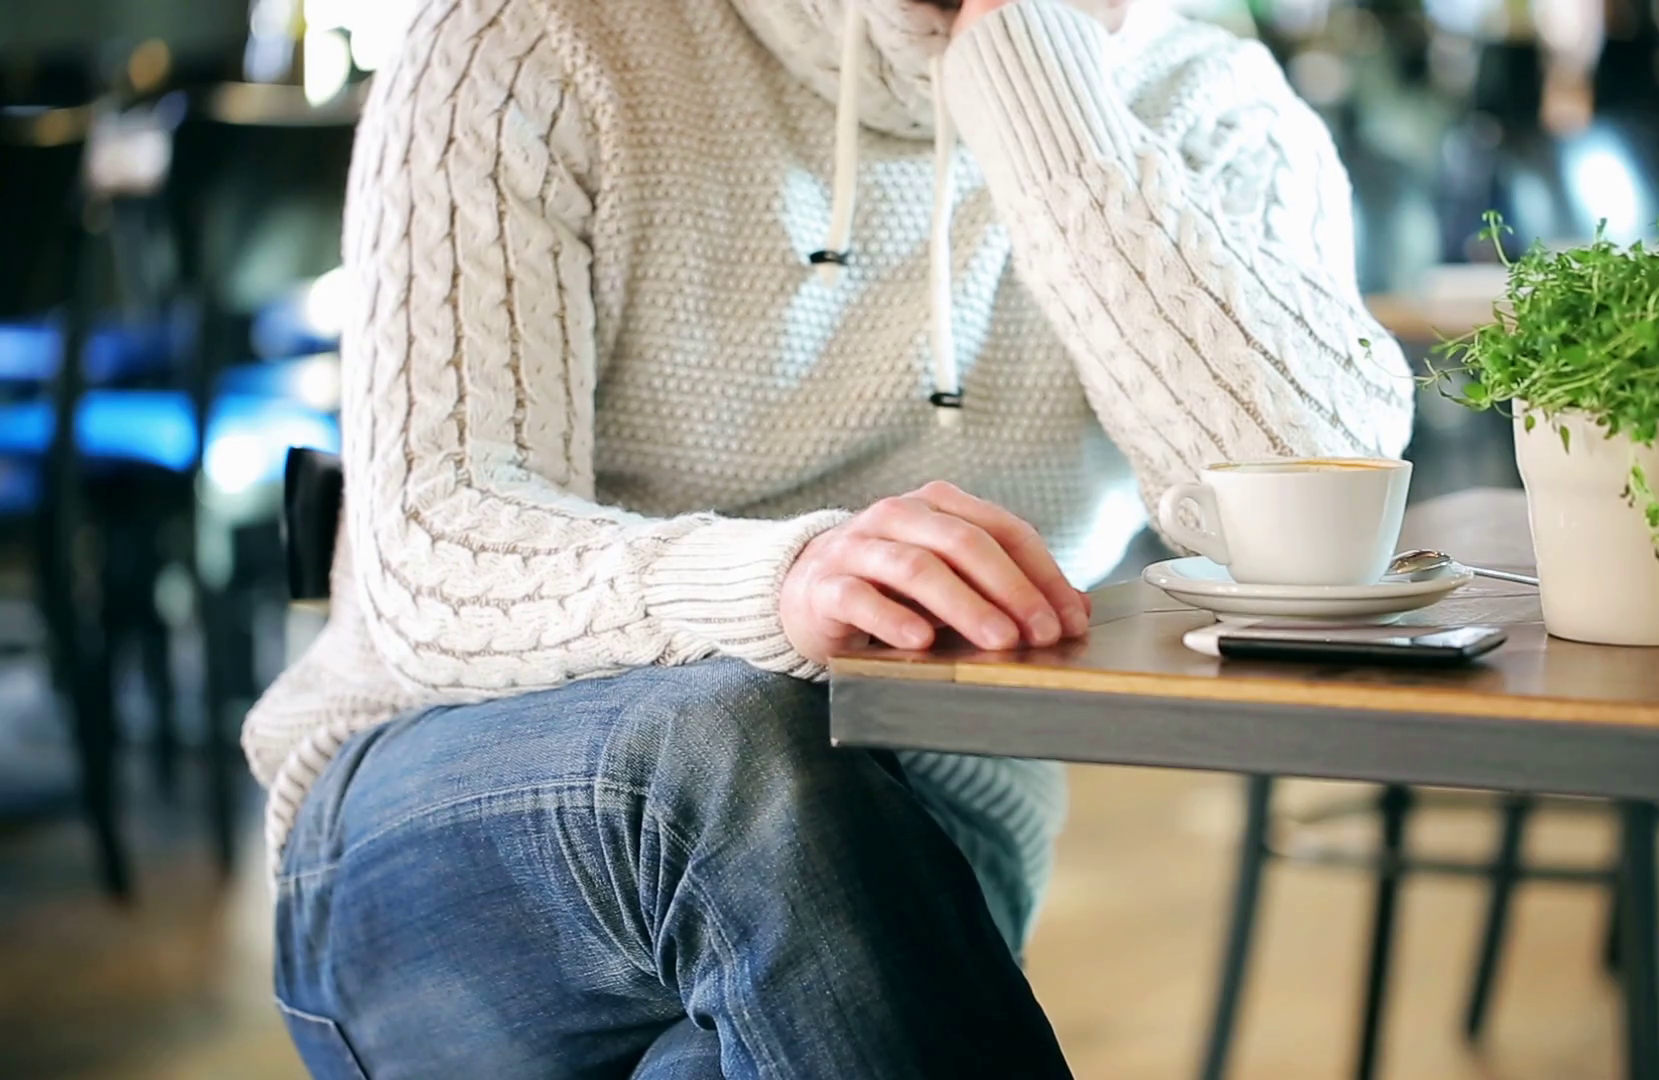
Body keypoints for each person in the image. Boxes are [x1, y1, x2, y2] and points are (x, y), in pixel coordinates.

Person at [245, 0, 1413, 1074]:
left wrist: (1050, 104)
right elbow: (433, 554)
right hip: (435, 825)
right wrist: (775, 582)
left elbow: (1321, 512)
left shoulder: (1211, 102)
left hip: (903, 862)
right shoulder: (533, 37)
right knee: (739, 732)